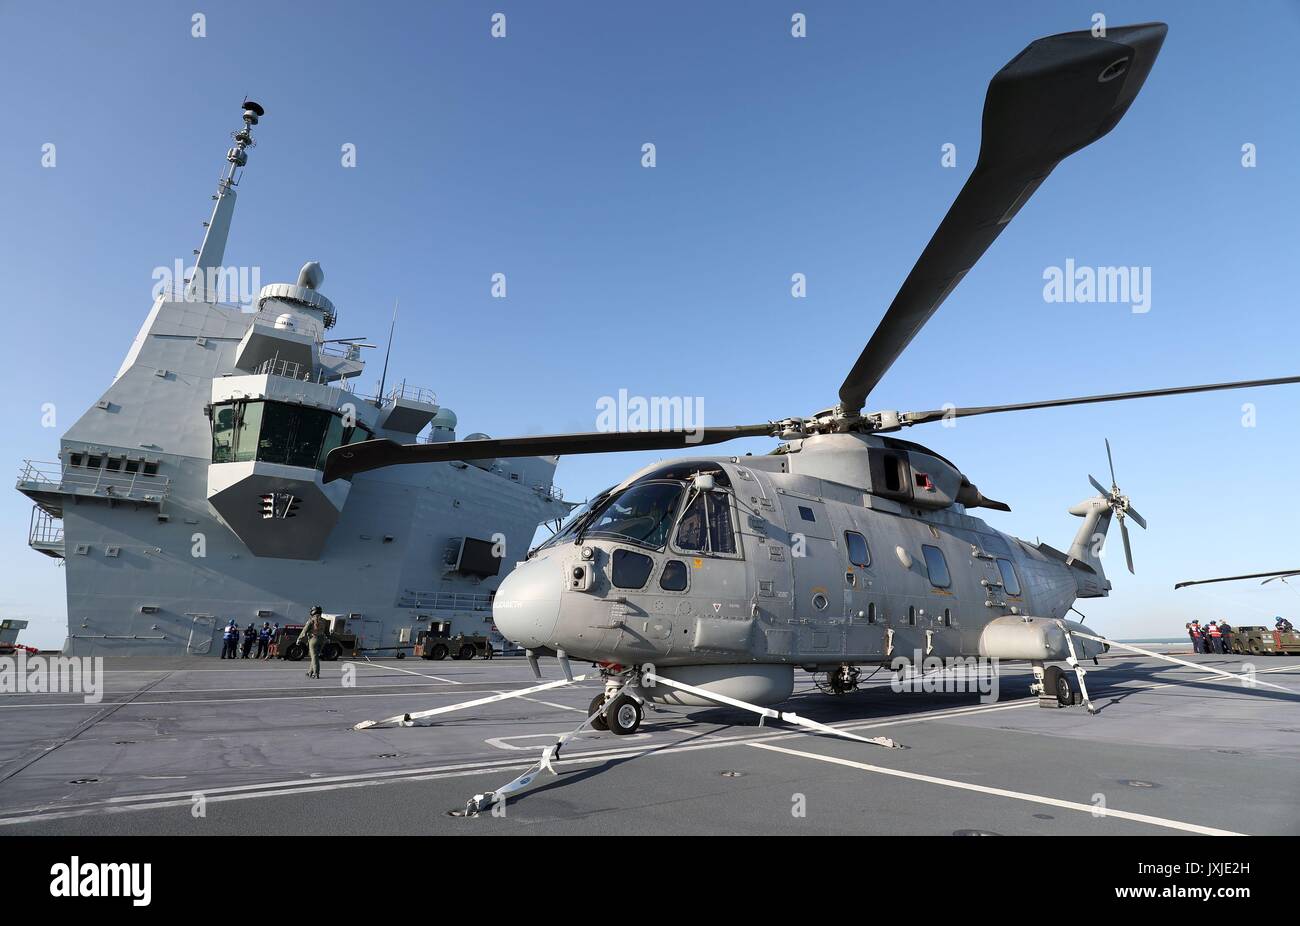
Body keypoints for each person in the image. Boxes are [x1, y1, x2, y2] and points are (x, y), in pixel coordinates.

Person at [296, 606, 328, 679]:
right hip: (322, 640)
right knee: (315, 657)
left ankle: (316, 673)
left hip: (313, 639)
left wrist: (299, 639)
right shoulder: (324, 621)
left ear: (313, 612)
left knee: (314, 657)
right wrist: (328, 639)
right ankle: (310, 672)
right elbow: (327, 632)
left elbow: (304, 630)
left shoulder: (311, 620)